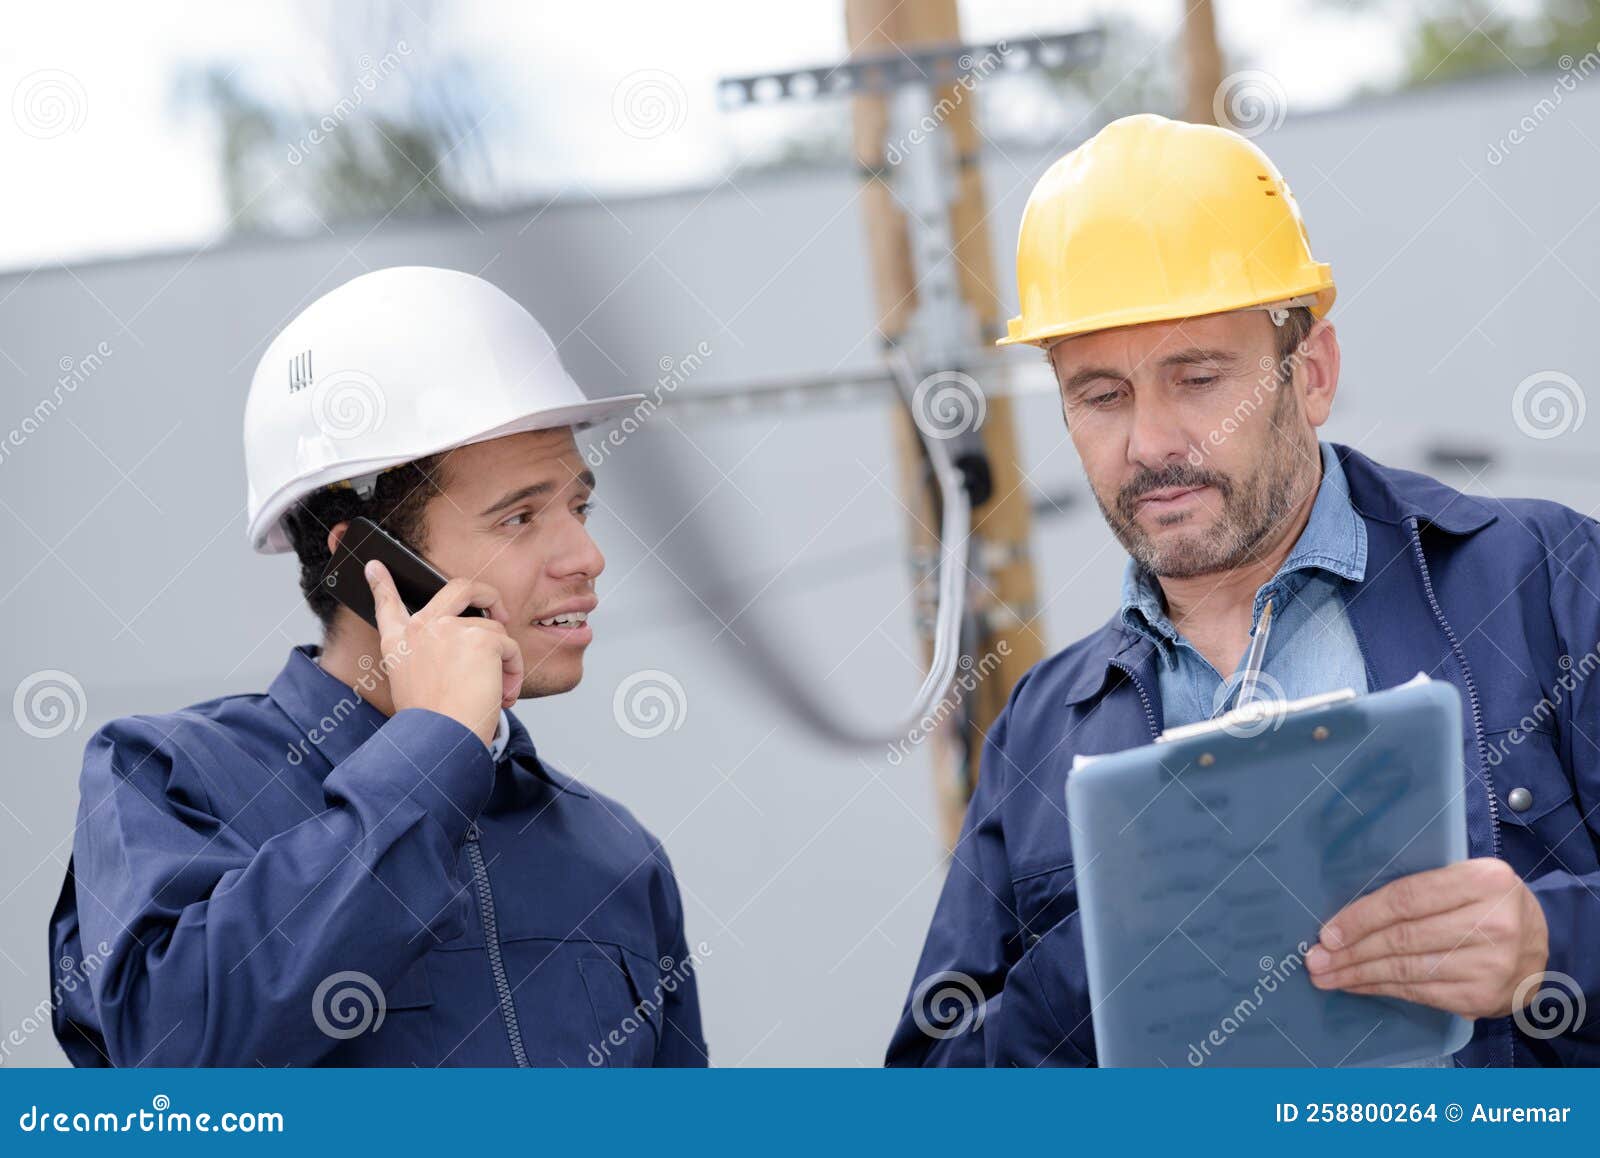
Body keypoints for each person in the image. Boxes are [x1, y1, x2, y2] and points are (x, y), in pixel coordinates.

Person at [888, 114, 1600, 1067]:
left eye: (1198, 378)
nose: (1149, 443)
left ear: (1310, 375)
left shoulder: (1542, 585)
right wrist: (1099, 969)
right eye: (1102, 396)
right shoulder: (1040, 734)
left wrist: (1555, 945)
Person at [49, 266, 706, 1067]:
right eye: (521, 517)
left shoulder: (616, 855)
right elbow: (178, 1061)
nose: (587, 556)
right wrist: (431, 757)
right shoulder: (170, 779)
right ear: (369, 565)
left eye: (579, 508)